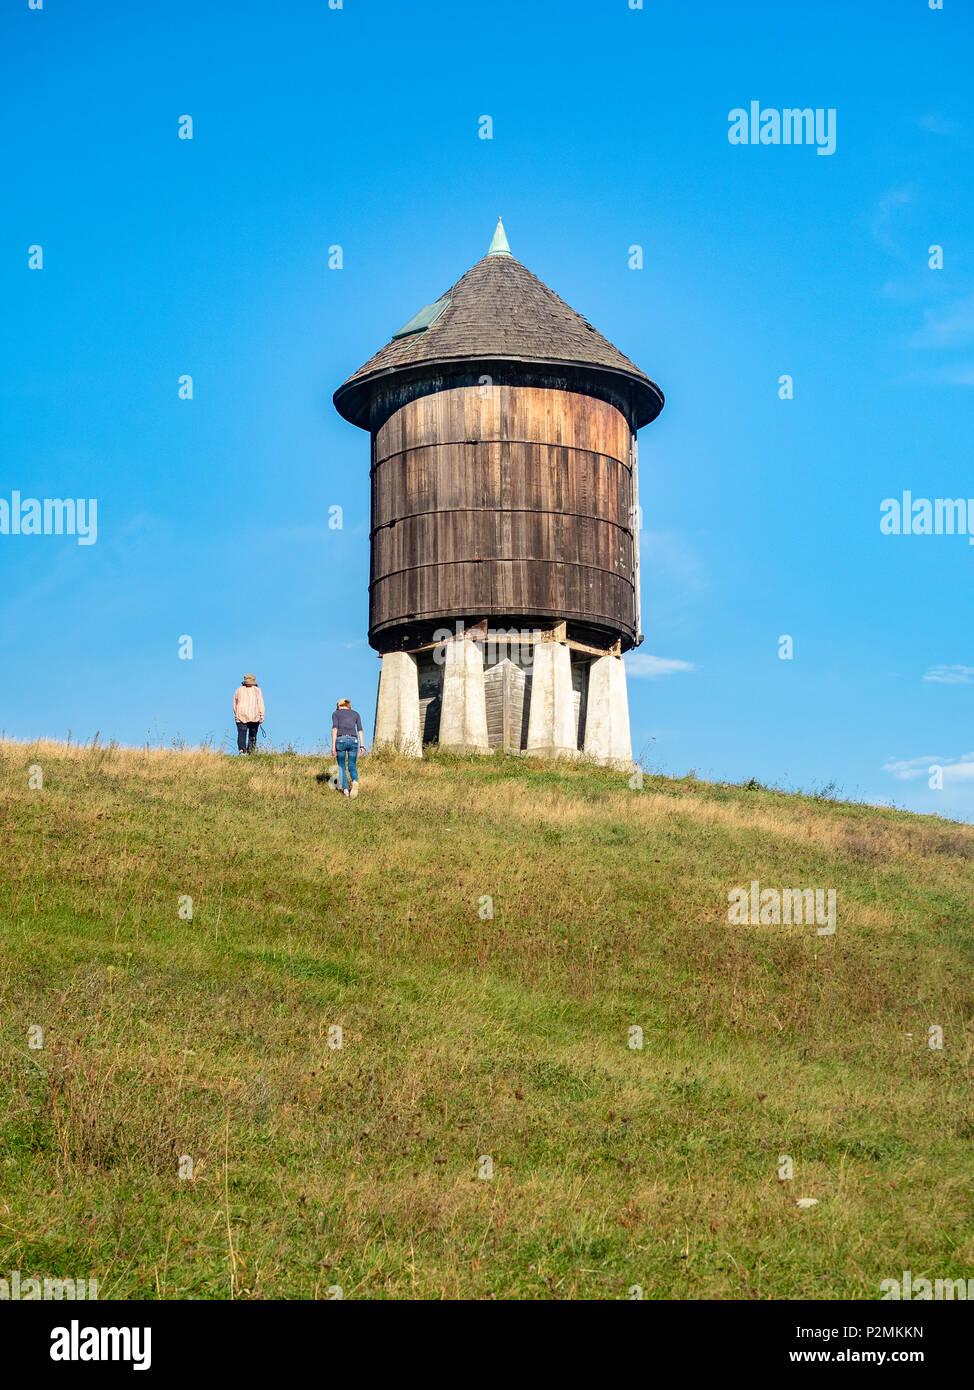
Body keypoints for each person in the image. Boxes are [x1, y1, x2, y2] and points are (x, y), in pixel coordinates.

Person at [332, 698, 365, 797]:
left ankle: (346, 790)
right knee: (352, 765)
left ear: (339, 706)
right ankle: (354, 781)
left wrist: (333, 747)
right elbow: (360, 730)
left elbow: (334, 729)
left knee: (341, 766)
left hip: (341, 740)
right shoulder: (356, 714)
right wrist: (362, 746)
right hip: (353, 740)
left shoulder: (336, 713)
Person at [233, 673, 264, 755]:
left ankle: (241, 751)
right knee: (252, 735)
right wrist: (261, 715)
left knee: (241, 734)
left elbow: (234, 704)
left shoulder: (238, 690)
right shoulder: (257, 690)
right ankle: (250, 752)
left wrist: (236, 714)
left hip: (240, 716)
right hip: (254, 716)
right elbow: (260, 703)